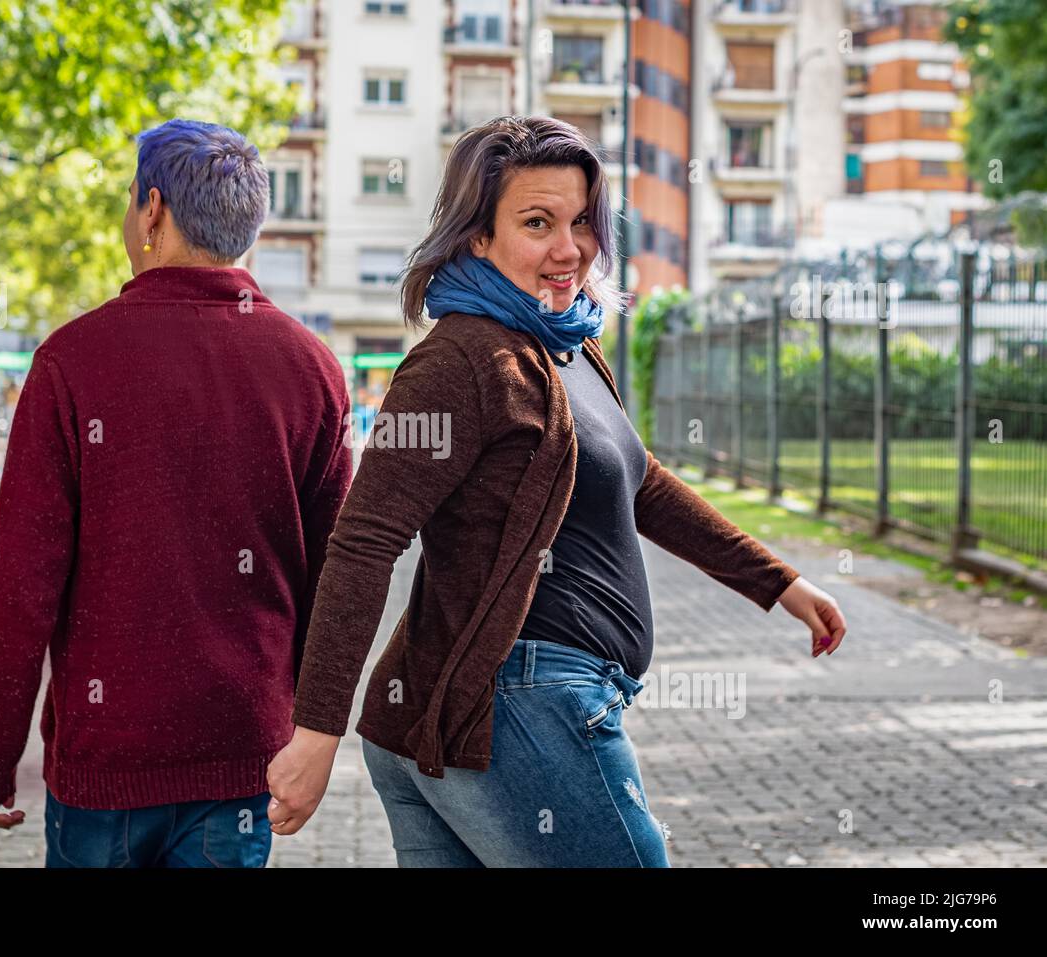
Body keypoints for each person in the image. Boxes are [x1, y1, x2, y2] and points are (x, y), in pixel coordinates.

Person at [267, 115, 848, 867]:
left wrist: (779, 583)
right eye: (537, 222)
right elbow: (365, 540)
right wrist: (317, 733)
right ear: (477, 235)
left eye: (581, 221)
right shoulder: (459, 360)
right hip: (516, 713)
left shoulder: (567, 344)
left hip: (491, 716)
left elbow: (641, 482)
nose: (569, 248)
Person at [0, 118, 352, 869]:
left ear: (152, 210)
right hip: (243, 752)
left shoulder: (70, 361)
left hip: (106, 762)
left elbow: (18, 582)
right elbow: (339, 578)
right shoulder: (312, 369)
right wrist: (310, 733)